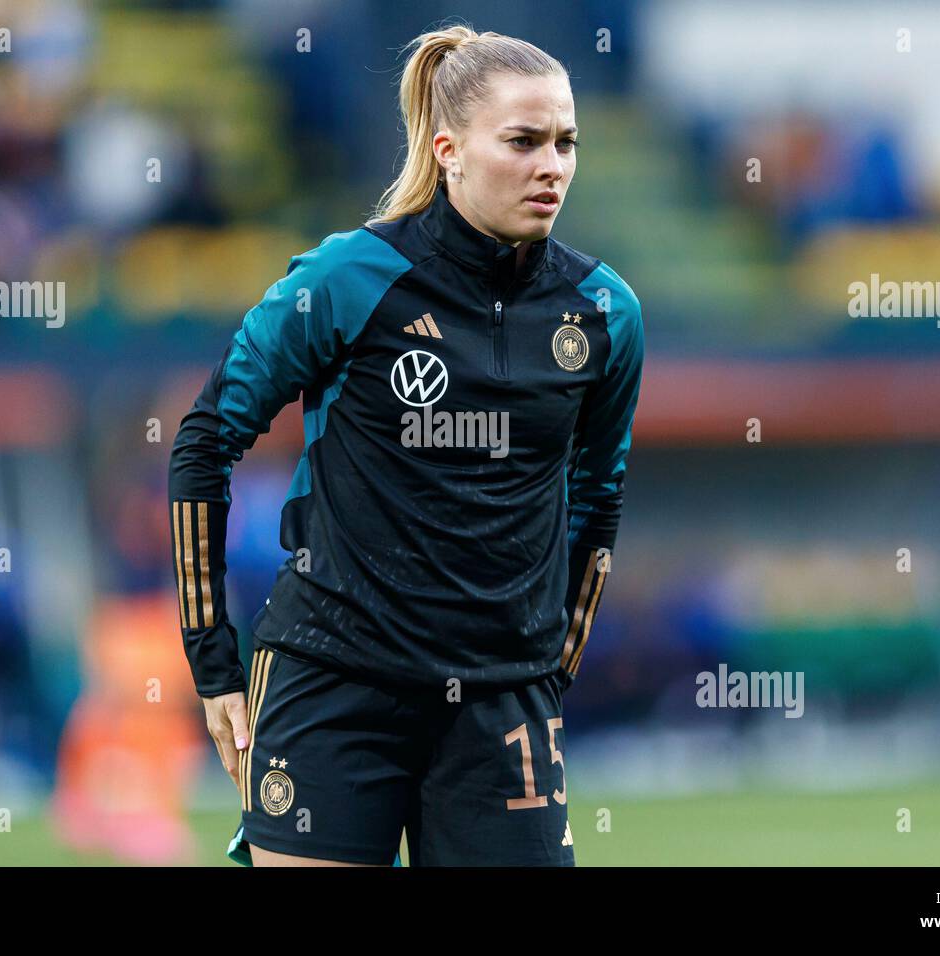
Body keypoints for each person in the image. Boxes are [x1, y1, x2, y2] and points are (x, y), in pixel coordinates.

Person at [168, 24, 643, 866]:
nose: (553, 166)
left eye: (567, 142)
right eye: (524, 142)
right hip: (332, 682)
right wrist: (214, 665)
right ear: (449, 150)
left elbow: (596, 504)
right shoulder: (347, 278)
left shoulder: (604, 314)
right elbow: (204, 443)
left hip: (501, 706)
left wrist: (544, 677)